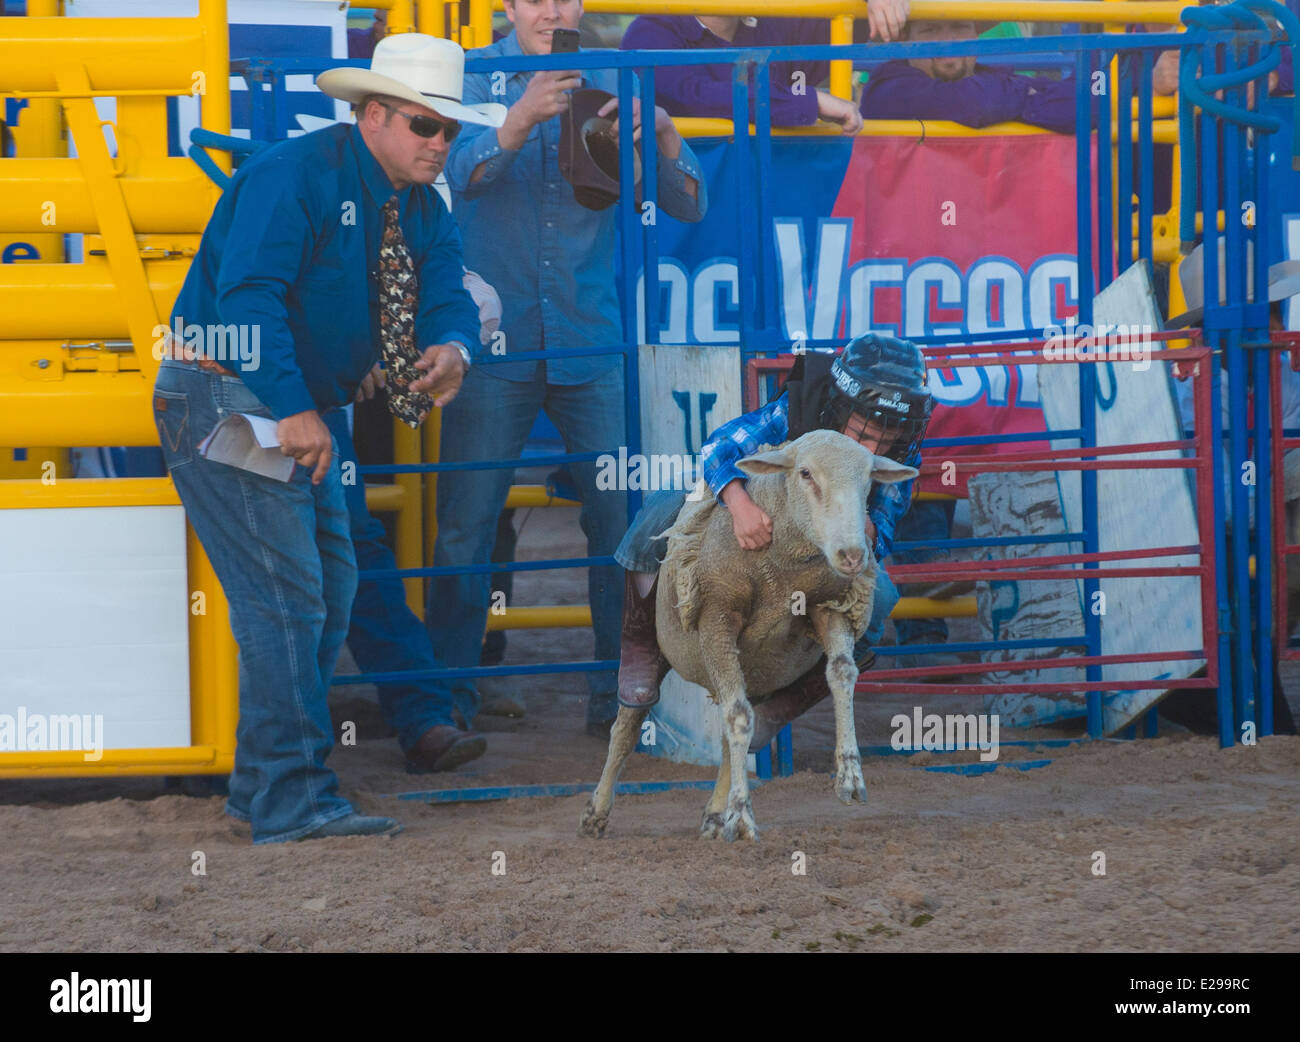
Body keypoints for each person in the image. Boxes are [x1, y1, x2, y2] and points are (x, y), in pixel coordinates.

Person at [151, 34, 502, 842]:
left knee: (324, 591)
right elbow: (247, 300)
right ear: (372, 114)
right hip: (228, 397)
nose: (439, 142)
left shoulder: (417, 206)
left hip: (271, 400)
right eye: (425, 125)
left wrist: (455, 346)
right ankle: (288, 796)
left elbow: (445, 291)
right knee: (293, 598)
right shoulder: (291, 174)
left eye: (449, 129)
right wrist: (294, 410)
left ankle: (267, 787)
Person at [434, 0, 708, 738]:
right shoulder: (468, 76)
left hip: (586, 340)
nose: (553, 9)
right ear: (508, 6)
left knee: (620, 524)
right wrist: (519, 116)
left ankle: (616, 704)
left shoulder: (614, 77)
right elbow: (450, 178)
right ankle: (446, 707)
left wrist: (665, 134)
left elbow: (688, 201)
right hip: (497, 342)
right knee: (467, 525)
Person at [614, 334, 932, 743]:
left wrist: (867, 530)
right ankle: (640, 644)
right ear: (840, 406)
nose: (871, 448)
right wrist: (738, 503)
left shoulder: (899, 455)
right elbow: (719, 446)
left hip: (828, 548)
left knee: (881, 601)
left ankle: (787, 700)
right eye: (862, 434)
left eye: (885, 441)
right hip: (759, 508)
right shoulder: (800, 407)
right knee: (659, 511)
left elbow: (884, 523)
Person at [619, 4, 912, 133]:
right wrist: (809, 101)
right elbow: (694, 97)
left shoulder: (776, 23)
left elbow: (863, 24)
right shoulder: (649, 31)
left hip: (767, 215)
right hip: (681, 228)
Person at [860, 14, 1076, 133]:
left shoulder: (997, 80)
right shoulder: (887, 87)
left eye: (960, 26)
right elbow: (971, 103)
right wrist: (1023, 96)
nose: (948, 41)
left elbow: (1086, 105)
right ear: (906, 40)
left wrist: (1103, 67)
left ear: (977, 33)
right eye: (930, 30)